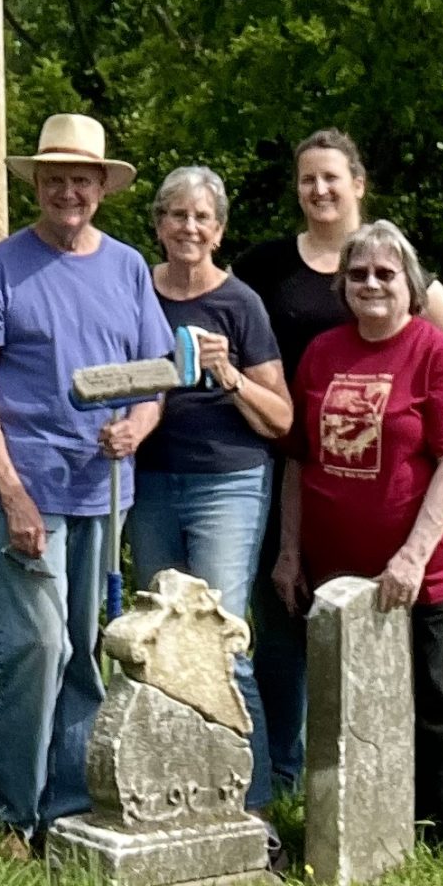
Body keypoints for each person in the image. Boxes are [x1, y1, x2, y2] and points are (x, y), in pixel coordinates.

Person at [234, 127, 443, 796]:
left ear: (358, 183)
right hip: (316, 524)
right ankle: (311, 792)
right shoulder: (289, 299)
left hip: (415, 547)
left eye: (331, 177)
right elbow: (298, 451)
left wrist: (438, 408)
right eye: (307, 178)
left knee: (428, 690)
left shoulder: (417, 315)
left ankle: (437, 821)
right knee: (313, 671)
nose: (319, 189)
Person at [0, 114, 173, 860]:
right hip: (29, 491)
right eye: (54, 179)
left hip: (104, 489)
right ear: (37, 186)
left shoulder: (129, 268)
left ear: (102, 188)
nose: (67, 191)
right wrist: (10, 492)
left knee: (85, 647)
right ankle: (10, 813)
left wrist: (136, 429)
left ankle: (70, 808)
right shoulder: (1, 267)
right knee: (34, 648)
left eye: (81, 179)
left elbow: (154, 377)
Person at [274, 219, 443, 850]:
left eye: (385, 274)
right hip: (336, 566)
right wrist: (290, 552)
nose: (371, 284)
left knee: (433, 700)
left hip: (422, 565)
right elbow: (298, 460)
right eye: (358, 274)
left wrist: (413, 556)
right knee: (344, 701)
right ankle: (353, 820)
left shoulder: (436, 354)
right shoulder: (322, 353)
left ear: (411, 287)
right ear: (342, 285)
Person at [127, 166, 292, 828]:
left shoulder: (241, 303)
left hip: (227, 480)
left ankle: (250, 811)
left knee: (223, 637)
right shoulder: (137, 290)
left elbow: (281, 417)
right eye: (176, 215)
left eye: (201, 218)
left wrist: (226, 375)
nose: (188, 228)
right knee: (157, 639)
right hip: (151, 478)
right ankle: (168, 793)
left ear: (219, 230)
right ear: (159, 224)